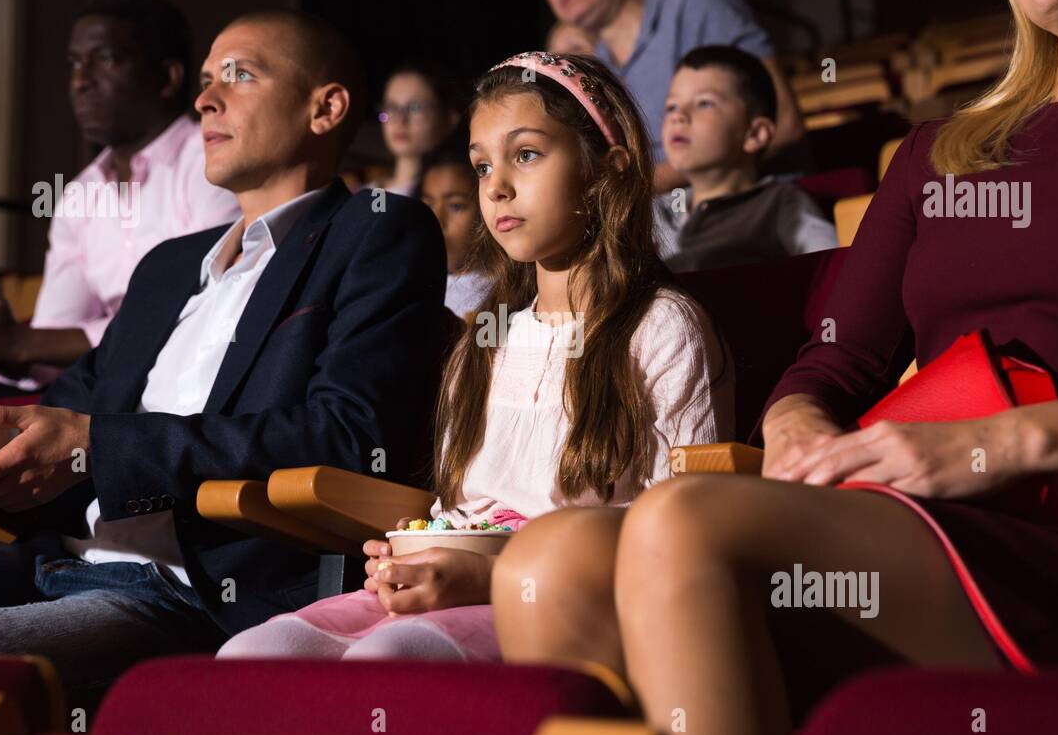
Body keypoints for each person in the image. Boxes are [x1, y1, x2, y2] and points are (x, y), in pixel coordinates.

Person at [493, 0, 1058, 735]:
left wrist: (1004, 443)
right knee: (552, 559)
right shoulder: (941, 152)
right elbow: (834, 360)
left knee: (683, 522)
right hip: (930, 516)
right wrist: (796, 427)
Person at [0, 10, 452, 710]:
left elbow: (349, 434)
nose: (206, 99)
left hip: (190, 589)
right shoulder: (168, 266)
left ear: (325, 108)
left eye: (239, 76)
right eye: (206, 80)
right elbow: (69, 407)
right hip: (47, 553)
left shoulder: (373, 232)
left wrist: (98, 446)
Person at [216, 51, 733, 663]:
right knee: (254, 653)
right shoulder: (484, 342)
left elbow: (676, 530)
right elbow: (460, 508)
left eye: (526, 154)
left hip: (573, 598)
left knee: (386, 660)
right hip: (461, 586)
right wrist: (412, 552)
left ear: (607, 172)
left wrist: (494, 571)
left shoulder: (661, 327)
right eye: (482, 165)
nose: (496, 186)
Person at [0, 0, 239, 408]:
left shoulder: (211, 164)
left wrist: (20, 342)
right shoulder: (81, 193)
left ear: (167, 77)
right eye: (74, 63)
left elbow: (195, 313)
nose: (80, 80)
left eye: (106, 59)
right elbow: (55, 334)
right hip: (96, 385)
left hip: (172, 387)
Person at [532, 0, 806, 192]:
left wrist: (635, 189)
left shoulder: (697, 3)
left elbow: (784, 123)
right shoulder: (586, 64)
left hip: (753, 208)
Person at [655, 46, 835, 272]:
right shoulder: (653, 213)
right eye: (671, 107)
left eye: (704, 103)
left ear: (755, 134)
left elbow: (833, 271)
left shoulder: (780, 204)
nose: (678, 116)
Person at [369, 62, 466, 196]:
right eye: (391, 107)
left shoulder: (445, 197)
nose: (400, 120)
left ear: (449, 119)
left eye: (415, 108)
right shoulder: (362, 191)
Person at [418, 148, 492, 318]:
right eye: (428, 205)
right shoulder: (412, 285)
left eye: (456, 206)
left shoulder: (506, 296)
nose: (437, 220)